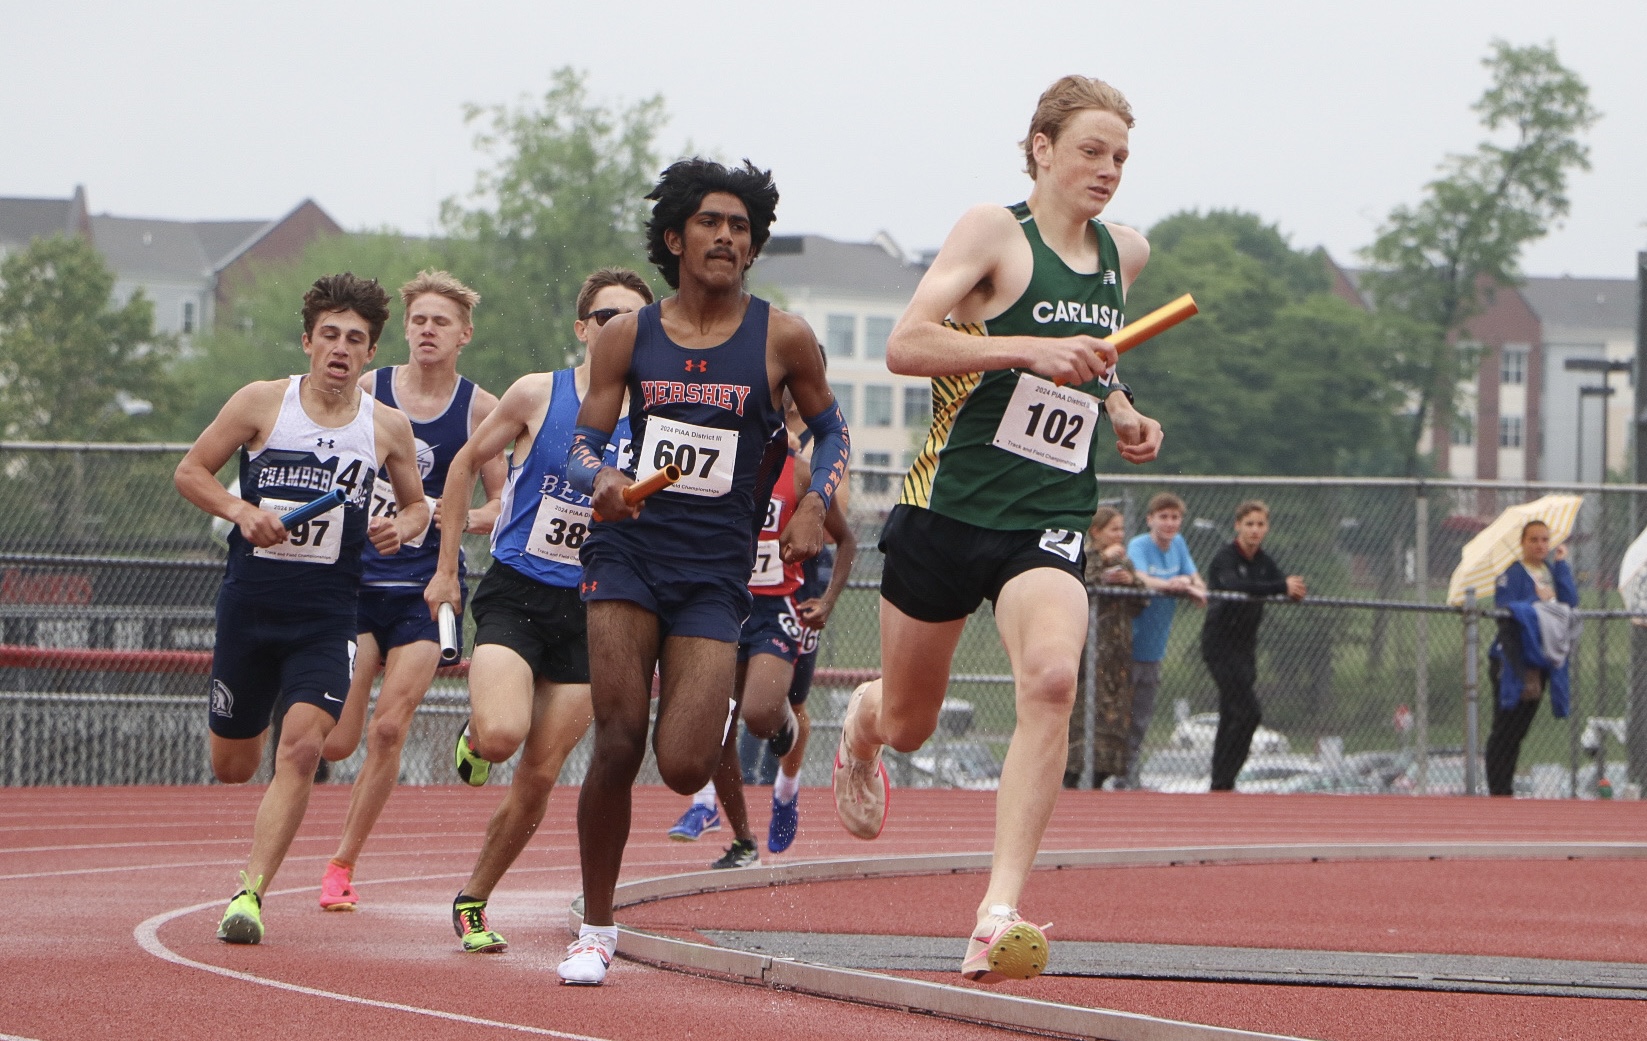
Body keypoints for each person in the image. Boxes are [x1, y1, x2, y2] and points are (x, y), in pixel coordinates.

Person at [831, 74, 1164, 985]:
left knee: (1051, 678)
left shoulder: (1123, 254)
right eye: (1091, 150)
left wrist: (1121, 409)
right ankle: (860, 723)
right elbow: (907, 344)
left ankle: (996, 911)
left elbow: (1093, 364)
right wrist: (1026, 349)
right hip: (946, 507)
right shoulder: (992, 232)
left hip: (1045, 518)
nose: (1108, 169)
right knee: (908, 722)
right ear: (1041, 149)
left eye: (1121, 156)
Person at [560, 158, 848, 985]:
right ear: (674, 238)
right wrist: (599, 478)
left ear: (752, 246)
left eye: (740, 227)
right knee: (618, 738)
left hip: (715, 571)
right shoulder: (628, 335)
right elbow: (581, 445)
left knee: (685, 762)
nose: (726, 236)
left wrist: (812, 502)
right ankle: (595, 929)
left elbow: (832, 433)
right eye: (710, 222)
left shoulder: (781, 336)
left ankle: (707, 721)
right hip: (629, 552)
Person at [172, 273, 429, 944]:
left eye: (355, 339)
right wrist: (240, 510)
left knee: (304, 747)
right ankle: (250, 727)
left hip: (328, 615)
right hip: (251, 607)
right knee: (233, 765)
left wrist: (399, 527)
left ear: (370, 352)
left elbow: (417, 506)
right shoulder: (262, 402)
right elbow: (190, 471)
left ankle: (249, 894)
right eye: (330, 335)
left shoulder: (386, 427)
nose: (341, 348)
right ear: (308, 341)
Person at [425, 268, 654, 952]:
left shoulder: (659, 416)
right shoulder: (538, 393)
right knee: (502, 737)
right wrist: (446, 571)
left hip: (597, 607)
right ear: (583, 328)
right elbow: (464, 465)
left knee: (541, 772)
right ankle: (474, 738)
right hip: (519, 592)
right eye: (607, 316)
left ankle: (473, 898)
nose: (620, 328)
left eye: (635, 319)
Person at [315, 270, 504, 912]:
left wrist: (453, 516)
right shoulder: (370, 391)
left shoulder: (479, 409)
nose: (428, 331)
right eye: (418, 320)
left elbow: (502, 503)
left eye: (440, 322)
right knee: (337, 740)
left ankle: (341, 865)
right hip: (358, 583)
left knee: (389, 729)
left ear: (463, 335)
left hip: (427, 590)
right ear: (404, 328)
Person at [667, 398, 858, 866]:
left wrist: (828, 601)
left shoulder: (802, 470)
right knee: (716, 727)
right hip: (727, 604)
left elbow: (847, 538)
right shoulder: (721, 467)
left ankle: (785, 769)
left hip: (781, 607)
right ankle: (741, 838)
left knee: (761, 713)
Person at [1200, 500, 1305, 792]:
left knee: (1231, 714)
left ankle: (1221, 782)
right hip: (1219, 646)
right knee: (1249, 712)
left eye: (1260, 524)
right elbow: (1235, 585)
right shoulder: (1225, 558)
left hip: (1245, 648)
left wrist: (1291, 588)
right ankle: (1225, 778)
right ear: (1238, 526)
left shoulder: (1263, 562)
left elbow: (1283, 583)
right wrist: (1280, 587)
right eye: (1249, 524)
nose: (1255, 530)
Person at [1485, 520, 1578, 797]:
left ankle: (1505, 788)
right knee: (1505, 726)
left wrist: (1561, 566)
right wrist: (1535, 602)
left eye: (1544, 540)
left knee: (1519, 729)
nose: (1540, 545)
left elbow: (1569, 603)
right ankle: (1498, 789)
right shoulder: (1512, 574)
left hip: (1540, 660)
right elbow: (1505, 609)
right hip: (1513, 660)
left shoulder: (1549, 571)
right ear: (1523, 543)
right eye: (1534, 540)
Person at [1122, 493, 1206, 787]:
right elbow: (1141, 578)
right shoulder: (1139, 545)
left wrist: (1188, 583)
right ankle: (1101, 779)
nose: (1169, 523)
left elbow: (1197, 581)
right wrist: (1172, 584)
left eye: (1175, 518)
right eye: (1163, 517)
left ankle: (1129, 778)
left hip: (1154, 650)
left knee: (1141, 719)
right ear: (1150, 520)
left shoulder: (1178, 544)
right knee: (1118, 717)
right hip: (1127, 646)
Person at [1065, 506, 1145, 789]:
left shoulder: (1124, 561)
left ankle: (1101, 775)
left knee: (1113, 716)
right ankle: (1072, 773)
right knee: (1083, 711)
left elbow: (1142, 601)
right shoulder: (1082, 555)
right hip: (1088, 651)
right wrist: (1101, 562)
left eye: (1122, 529)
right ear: (1096, 531)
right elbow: (1076, 582)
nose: (1119, 535)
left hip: (1116, 655)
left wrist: (1130, 581)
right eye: (1113, 529)